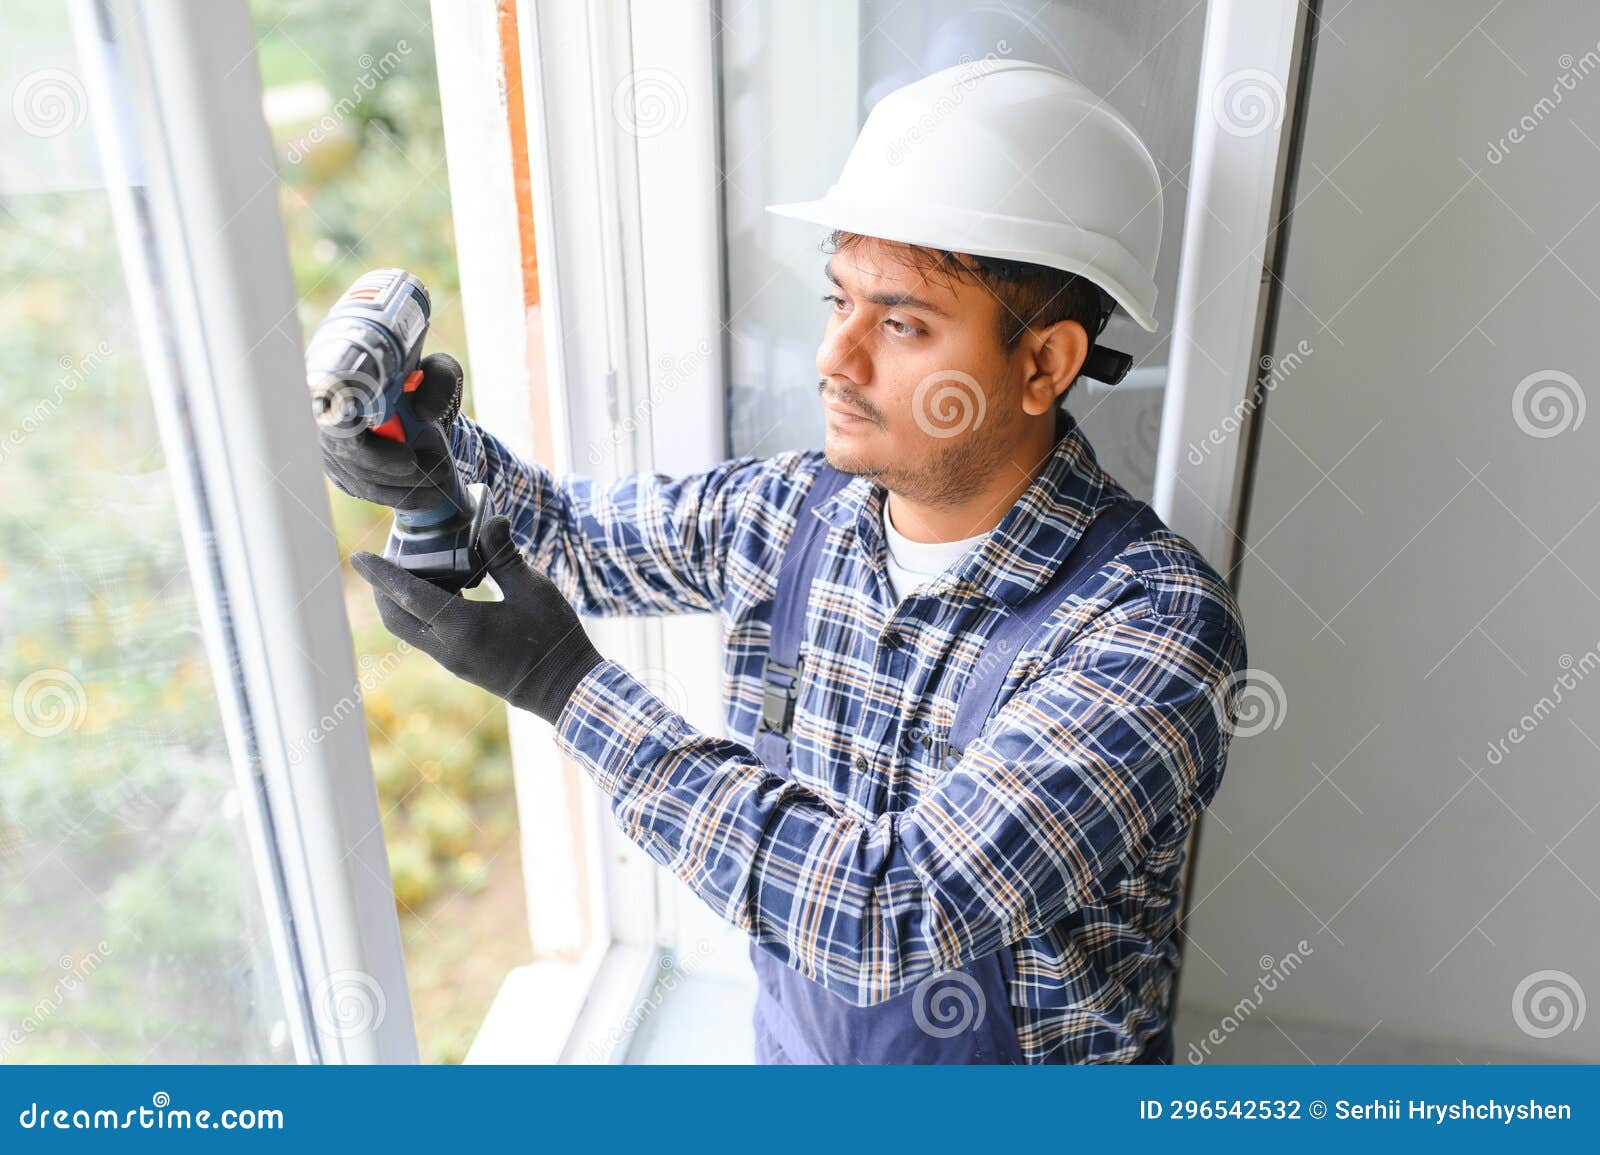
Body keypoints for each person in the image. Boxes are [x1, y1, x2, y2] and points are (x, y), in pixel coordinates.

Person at [322, 60, 1248, 1064]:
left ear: (1043, 364)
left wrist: (565, 687)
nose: (834, 359)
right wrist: (435, 460)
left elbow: (885, 914)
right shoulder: (791, 513)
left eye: (900, 323)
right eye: (836, 300)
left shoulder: (1150, 632)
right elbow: (563, 536)